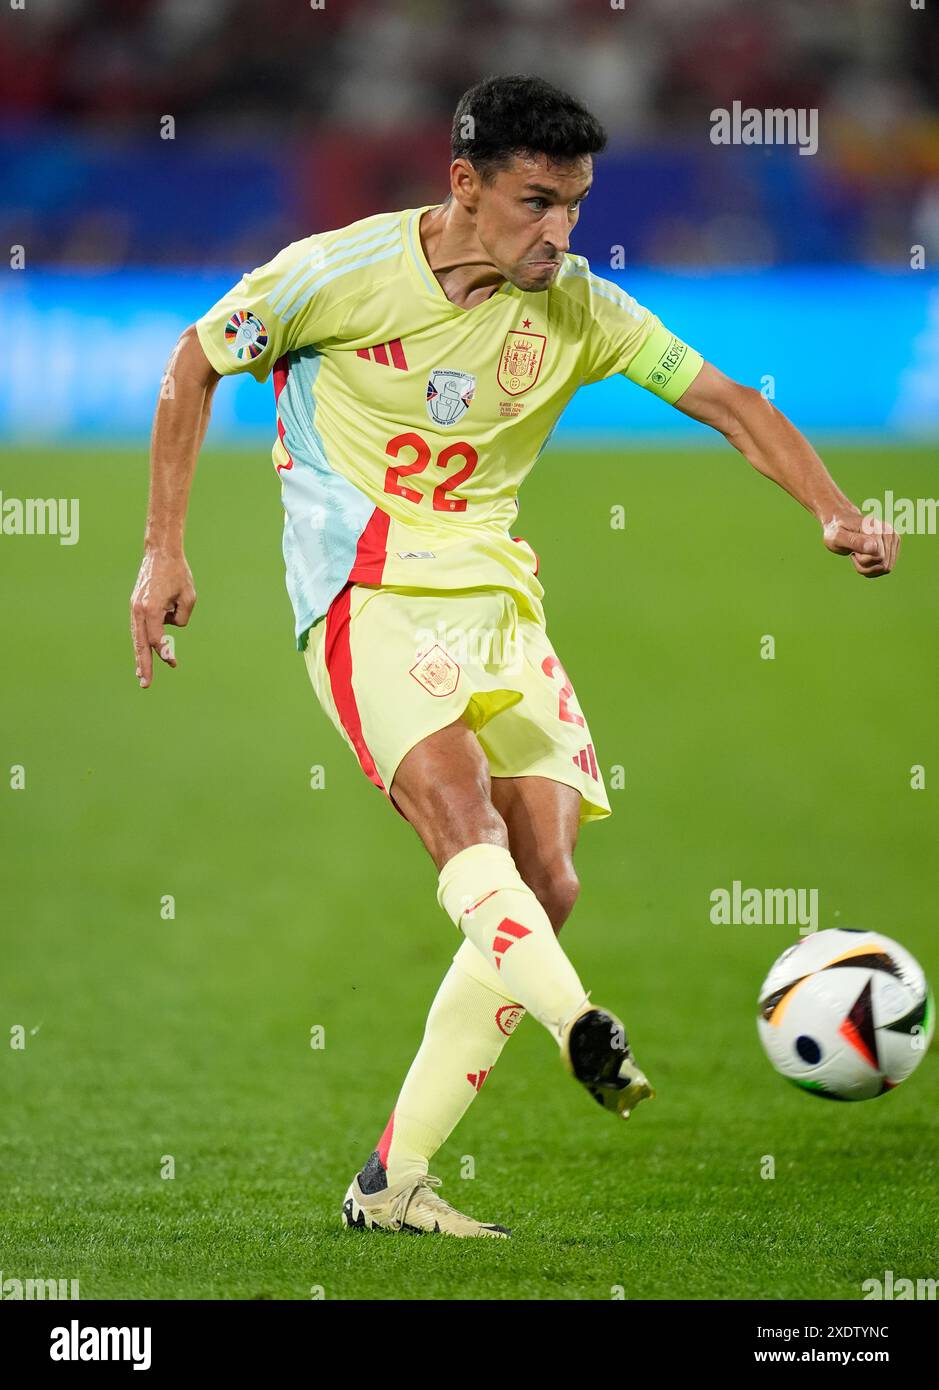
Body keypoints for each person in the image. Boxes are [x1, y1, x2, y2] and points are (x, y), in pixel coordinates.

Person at [130, 74, 898, 1239]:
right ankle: (581, 1024)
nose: (559, 231)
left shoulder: (579, 308)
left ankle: (392, 1183)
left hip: (498, 601)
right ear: (464, 185)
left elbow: (733, 401)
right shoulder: (335, 275)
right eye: (537, 201)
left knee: (549, 881)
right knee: (463, 821)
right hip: (365, 593)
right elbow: (192, 364)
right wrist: (161, 552)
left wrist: (833, 509)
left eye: (575, 205)